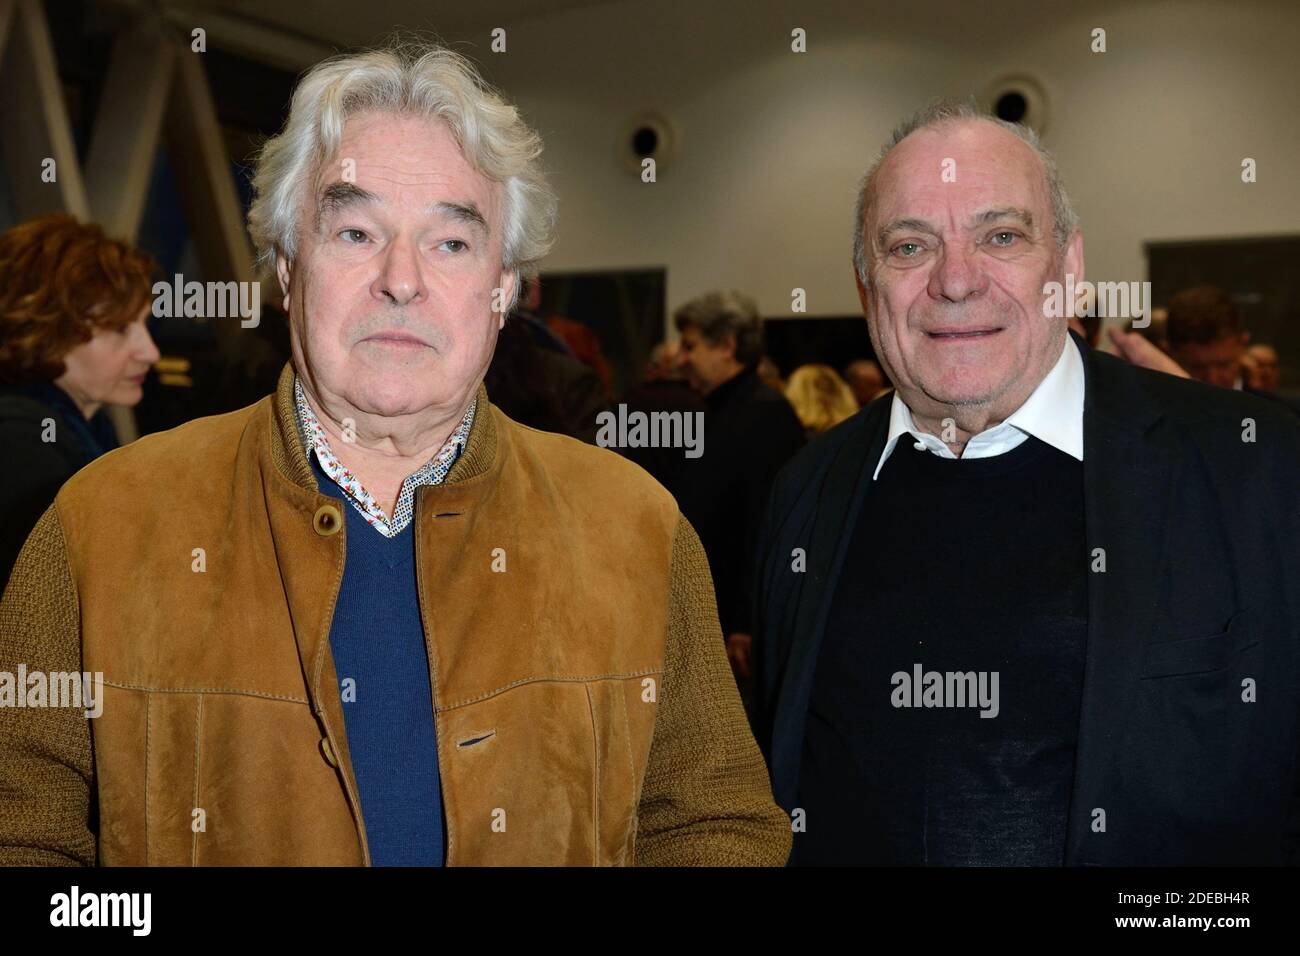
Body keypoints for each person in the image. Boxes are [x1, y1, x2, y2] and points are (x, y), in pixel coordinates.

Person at [0, 41, 789, 867]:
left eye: (451, 242)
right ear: (285, 264)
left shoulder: (636, 527)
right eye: (355, 230)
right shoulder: (101, 525)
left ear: (505, 287)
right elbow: (26, 839)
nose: (401, 280)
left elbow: (714, 823)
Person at [753, 99, 1300, 865]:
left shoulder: (1258, 472)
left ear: (1070, 267)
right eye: (909, 246)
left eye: (1000, 236)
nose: (956, 282)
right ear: (864, 284)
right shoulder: (807, 492)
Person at [0, 214, 159, 588]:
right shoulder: (24, 441)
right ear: (48, 329)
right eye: (120, 329)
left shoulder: (70, 428)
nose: (150, 352)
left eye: (144, 325)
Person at [673, 290, 805, 695]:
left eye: (691, 346)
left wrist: (746, 622)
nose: (681, 359)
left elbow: (768, 522)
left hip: (739, 630)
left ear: (727, 345)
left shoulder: (764, 414)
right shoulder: (721, 410)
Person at [784, 364, 859, 436]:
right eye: (818, 388)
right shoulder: (796, 431)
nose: (825, 397)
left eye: (830, 389)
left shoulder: (858, 424)